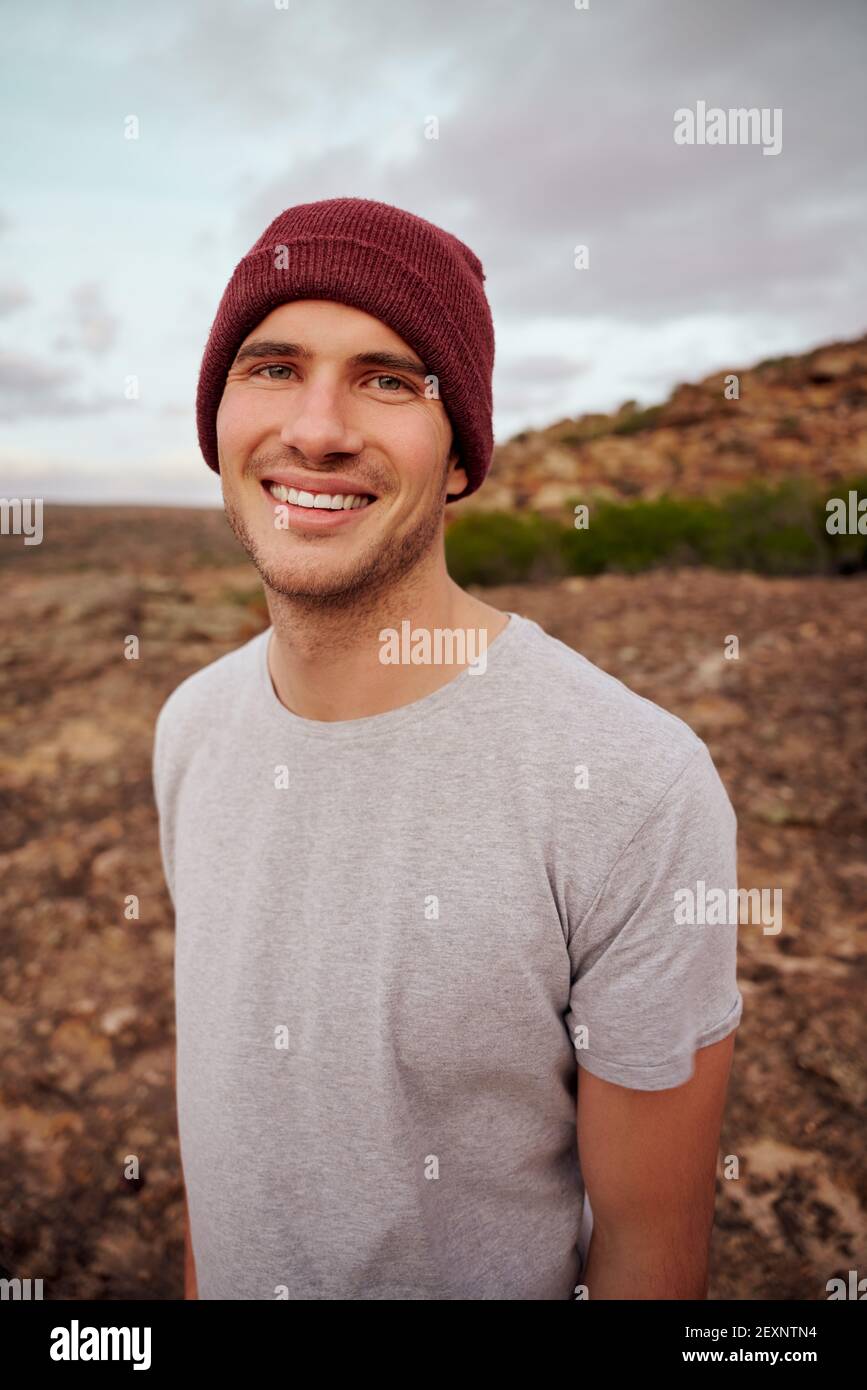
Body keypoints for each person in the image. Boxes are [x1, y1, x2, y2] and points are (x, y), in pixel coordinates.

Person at [152, 196, 743, 1301]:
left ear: (463, 454)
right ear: (216, 418)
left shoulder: (634, 786)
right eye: (272, 367)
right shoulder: (189, 728)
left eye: (388, 380)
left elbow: (649, 1259)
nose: (317, 429)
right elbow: (226, 1145)